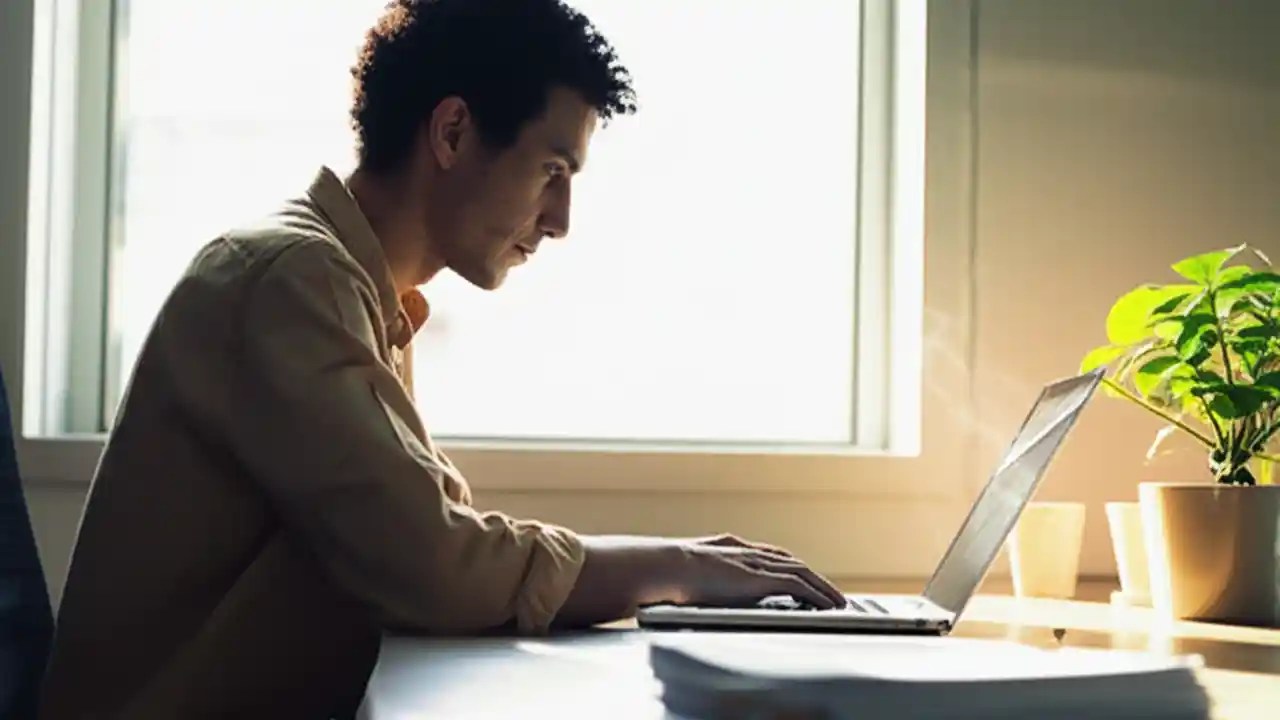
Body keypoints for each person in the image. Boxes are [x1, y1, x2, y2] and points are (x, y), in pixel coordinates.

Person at [39, 1, 843, 717]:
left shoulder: (353, 292)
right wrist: (677, 566)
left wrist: (671, 570)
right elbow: (438, 563)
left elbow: (430, 543)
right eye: (552, 171)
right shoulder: (291, 280)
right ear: (453, 132)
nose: (559, 219)